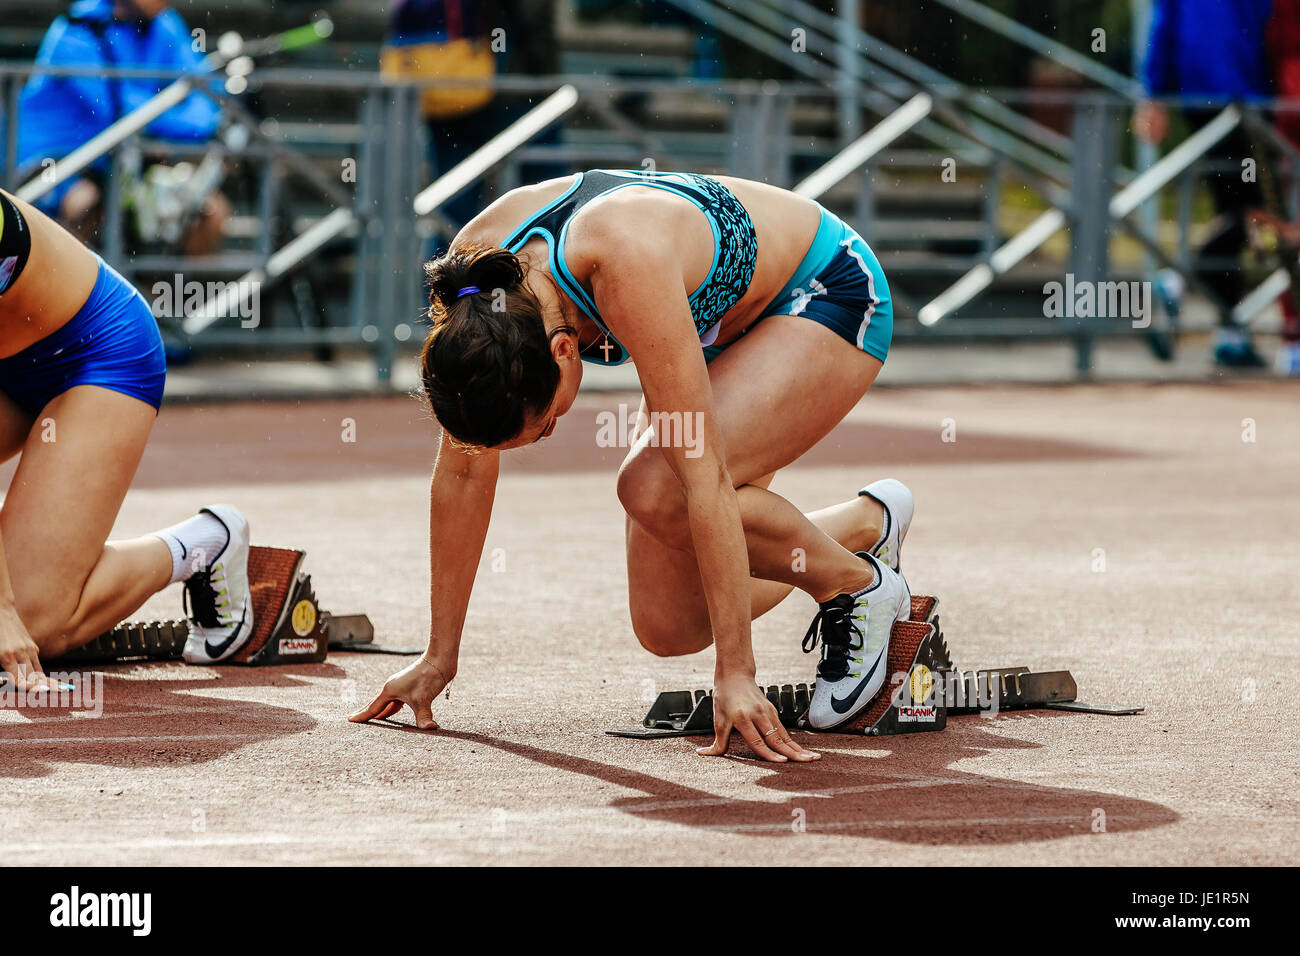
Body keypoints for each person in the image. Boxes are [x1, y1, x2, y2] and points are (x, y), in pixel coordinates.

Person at [350, 169, 916, 762]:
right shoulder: (479, 292)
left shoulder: (622, 264)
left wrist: (736, 673)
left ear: (563, 349)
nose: (548, 433)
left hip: (822, 291)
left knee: (656, 489)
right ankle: (865, 526)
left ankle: (859, 586)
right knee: (668, 624)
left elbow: (705, 481)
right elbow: (464, 471)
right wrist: (439, 656)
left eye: (543, 427)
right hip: (705, 324)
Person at [0, 186, 254, 694]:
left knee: (36, 618)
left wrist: (2, 611)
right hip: (12, 357)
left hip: (97, 352)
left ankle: (203, 544)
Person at [15, 0, 229, 251]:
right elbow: (119, 107)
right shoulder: (74, 29)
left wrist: (182, 121)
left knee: (208, 211)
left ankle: (166, 289)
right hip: (58, 164)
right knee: (85, 203)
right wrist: (182, 118)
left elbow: (207, 98)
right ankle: (74, 288)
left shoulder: (166, 24)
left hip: (129, 162)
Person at [1133, 0, 1274, 368]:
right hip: (1241, 94)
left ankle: (1231, 333)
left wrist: (1154, 92)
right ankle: (1178, 281)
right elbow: (1267, 21)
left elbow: (1163, 24)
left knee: (1233, 208)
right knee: (1253, 208)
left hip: (1200, 93)